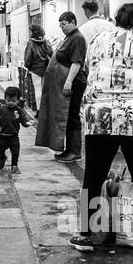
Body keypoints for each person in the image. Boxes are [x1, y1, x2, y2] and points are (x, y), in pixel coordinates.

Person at [70, 4, 133, 256]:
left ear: (116, 21)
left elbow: (86, 69)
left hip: (99, 115)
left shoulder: (97, 41)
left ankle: (86, 234)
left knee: (93, 177)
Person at [35, 11, 87, 161]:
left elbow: (76, 62)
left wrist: (69, 82)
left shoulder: (77, 38)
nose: (62, 28)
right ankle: (68, 149)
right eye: (60, 25)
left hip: (74, 83)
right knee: (66, 116)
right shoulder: (69, 37)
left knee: (71, 116)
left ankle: (74, 152)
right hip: (66, 83)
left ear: (72, 21)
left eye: (64, 24)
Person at [0, 85, 33, 175]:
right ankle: (2, 158)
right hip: (2, 136)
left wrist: (27, 123)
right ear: (4, 99)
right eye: (8, 100)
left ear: (18, 100)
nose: (10, 103)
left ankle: (14, 166)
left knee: (15, 153)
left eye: (13, 101)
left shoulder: (19, 111)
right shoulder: (1, 109)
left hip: (14, 137)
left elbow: (23, 121)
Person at [23, 22, 53, 116]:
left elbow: (28, 58)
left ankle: (39, 111)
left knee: (37, 89)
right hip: (46, 69)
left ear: (34, 32)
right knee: (45, 90)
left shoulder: (31, 43)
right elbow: (51, 53)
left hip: (35, 69)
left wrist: (27, 66)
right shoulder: (46, 42)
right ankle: (46, 109)